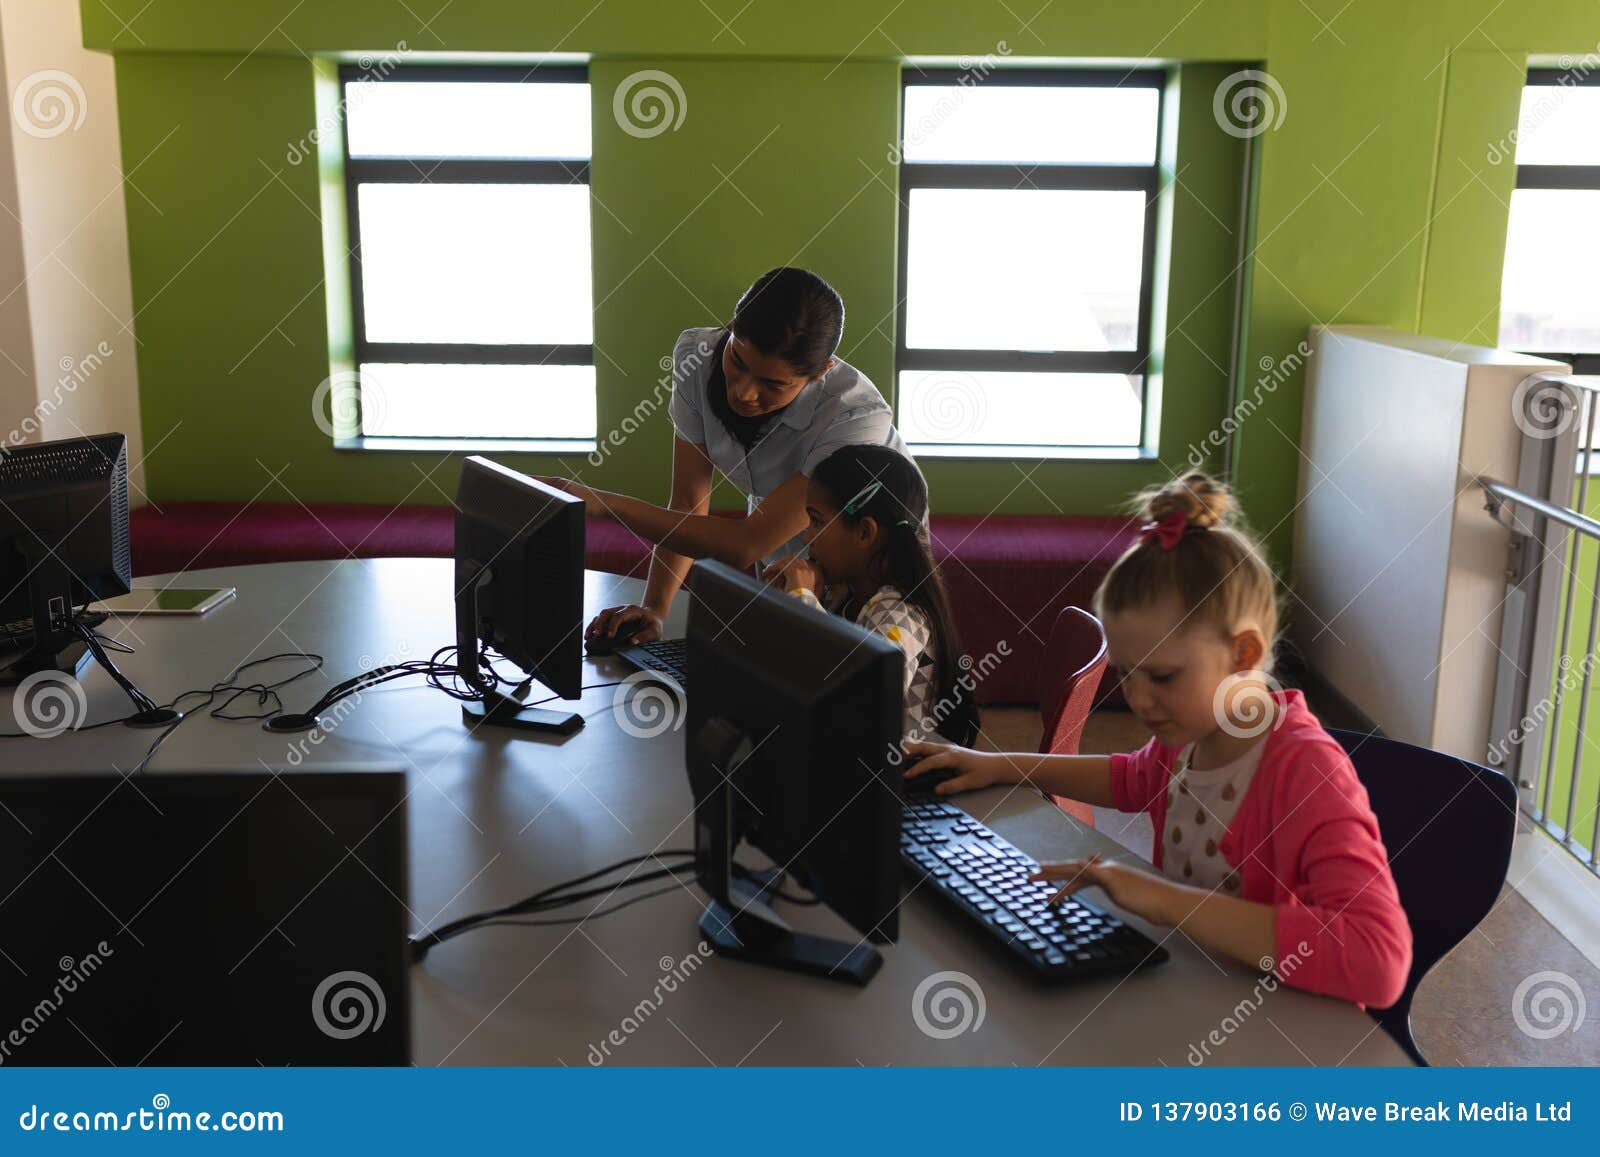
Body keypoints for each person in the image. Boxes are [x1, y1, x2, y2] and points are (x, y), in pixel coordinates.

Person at [902, 472, 1412, 1007]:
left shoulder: (1304, 769)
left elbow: (1379, 961)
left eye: (1162, 677)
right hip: (1200, 994)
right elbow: (1135, 778)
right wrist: (1001, 765)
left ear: (1243, 655)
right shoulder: (1191, 733)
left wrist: (1169, 902)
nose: (1139, 701)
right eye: (1126, 674)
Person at [535, 267, 910, 648]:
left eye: (773, 384)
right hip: (788, 564)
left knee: (864, 686)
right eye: (739, 361)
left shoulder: (856, 417)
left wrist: (602, 504)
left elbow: (745, 544)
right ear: (730, 328)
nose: (745, 392)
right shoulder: (696, 358)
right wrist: (656, 610)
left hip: (872, 573)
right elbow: (687, 505)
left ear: (821, 373)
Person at [763, 443, 977, 746]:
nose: (807, 536)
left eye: (818, 521)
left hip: (893, 778)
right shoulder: (847, 595)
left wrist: (803, 602)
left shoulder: (898, 612)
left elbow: (859, 703)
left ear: (864, 533)